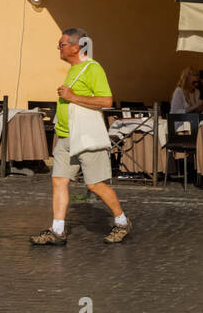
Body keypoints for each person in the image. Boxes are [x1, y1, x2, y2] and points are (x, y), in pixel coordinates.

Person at [30, 28, 132, 245]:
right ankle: (57, 230)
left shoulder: (93, 68)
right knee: (59, 181)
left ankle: (122, 222)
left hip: (85, 137)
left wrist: (72, 96)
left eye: (62, 44)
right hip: (65, 136)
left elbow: (106, 101)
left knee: (95, 185)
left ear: (76, 47)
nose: (58, 48)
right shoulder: (74, 69)